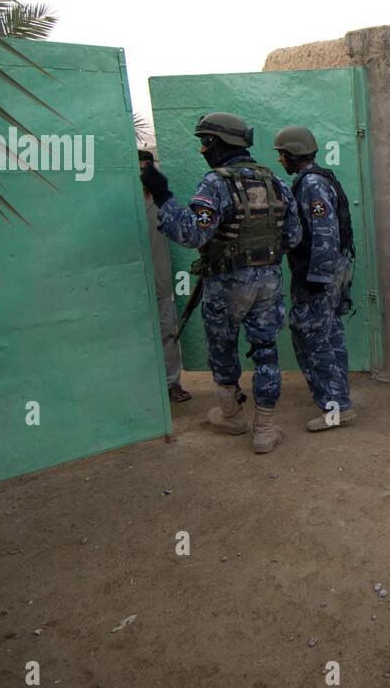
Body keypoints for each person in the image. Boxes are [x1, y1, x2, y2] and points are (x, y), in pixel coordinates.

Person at [140, 112, 301, 453]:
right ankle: (264, 430)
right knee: (267, 354)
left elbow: (191, 232)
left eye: (204, 142)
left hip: (227, 283)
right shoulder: (276, 181)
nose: (201, 150)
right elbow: (294, 235)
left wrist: (163, 196)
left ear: (218, 144)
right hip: (268, 282)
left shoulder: (216, 183)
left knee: (223, 349)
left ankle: (232, 417)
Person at [275, 125, 358, 432]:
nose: (280, 161)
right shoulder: (320, 178)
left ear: (291, 153)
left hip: (318, 274)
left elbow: (324, 232)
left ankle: (334, 409)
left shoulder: (310, 183)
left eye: (282, 154)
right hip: (331, 271)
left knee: (313, 339)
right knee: (331, 336)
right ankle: (340, 403)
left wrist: (317, 277)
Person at [139, 149, 190, 403]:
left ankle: (172, 384)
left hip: (161, 282)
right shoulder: (127, 202)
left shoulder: (161, 203)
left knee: (167, 333)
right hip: (131, 283)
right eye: (138, 170)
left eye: (147, 169)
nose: (143, 175)